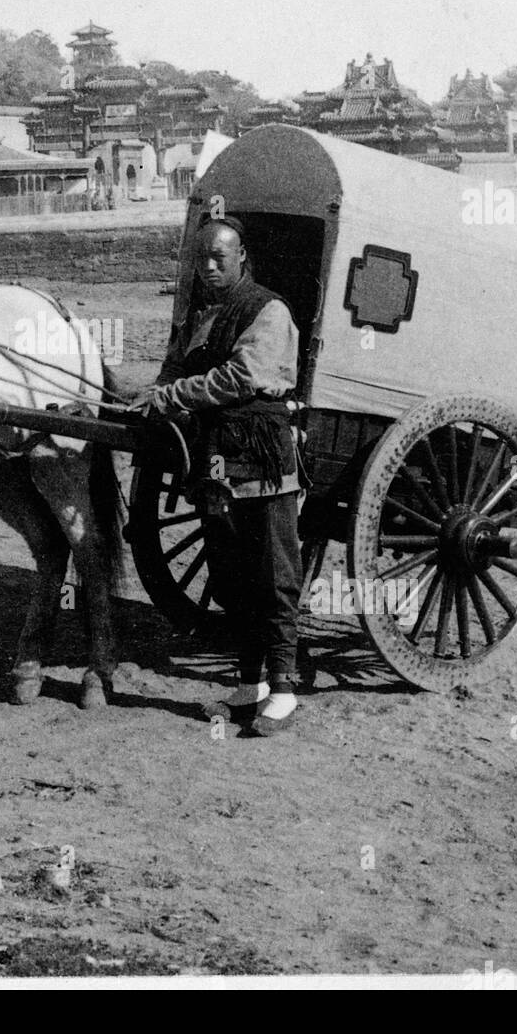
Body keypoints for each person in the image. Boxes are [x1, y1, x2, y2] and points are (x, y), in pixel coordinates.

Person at [132, 215, 303, 735]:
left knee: (275, 576)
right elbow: (172, 370)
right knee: (232, 577)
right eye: (200, 257)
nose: (207, 267)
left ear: (242, 257)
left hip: (262, 459)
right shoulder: (197, 315)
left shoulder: (268, 310)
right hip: (212, 465)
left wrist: (171, 396)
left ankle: (287, 688)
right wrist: (150, 396)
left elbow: (242, 377)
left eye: (219, 258)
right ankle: (250, 684)